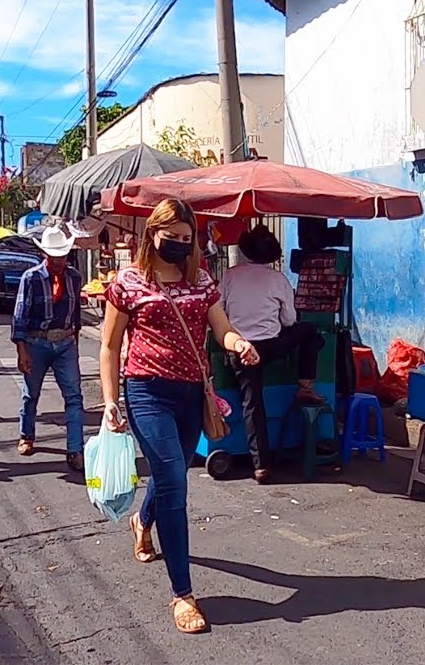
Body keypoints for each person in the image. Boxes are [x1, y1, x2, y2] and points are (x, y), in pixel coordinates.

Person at [100, 198, 260, 635]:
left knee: (171, 473)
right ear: (152, 234)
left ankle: (142, 520)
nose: (179, 244)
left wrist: (238, 344)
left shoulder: (201, 280)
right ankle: (183, 594)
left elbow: (221, 327)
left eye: (186, 239)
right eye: (171, 237)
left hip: (192, 393)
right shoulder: (128, 283)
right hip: (146, 391)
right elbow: (110, 346)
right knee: (174, 478)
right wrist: (110, 400)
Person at [219, 224, 328, 483]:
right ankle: (305, 385)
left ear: (246, 251)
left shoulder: (230, 276)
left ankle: (261, 466)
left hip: (240, 348)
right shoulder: (279, 280)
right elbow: (289, 321)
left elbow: (218, 312)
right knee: (310, 332)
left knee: (252, 402)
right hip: (271, 347)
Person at [12, 225, 87, 471]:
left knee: (74, 397)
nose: (58, 261)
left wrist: (75, 339)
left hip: (65, 342)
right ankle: (27, 434)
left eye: (62, 255)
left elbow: (76, 312)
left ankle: (75, 449)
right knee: (31, 394)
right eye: (54, 256)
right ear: (45, 254)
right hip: (36, 342)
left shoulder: (74, 277)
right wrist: (21, 350)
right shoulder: (31, 277)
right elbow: (20, 315)